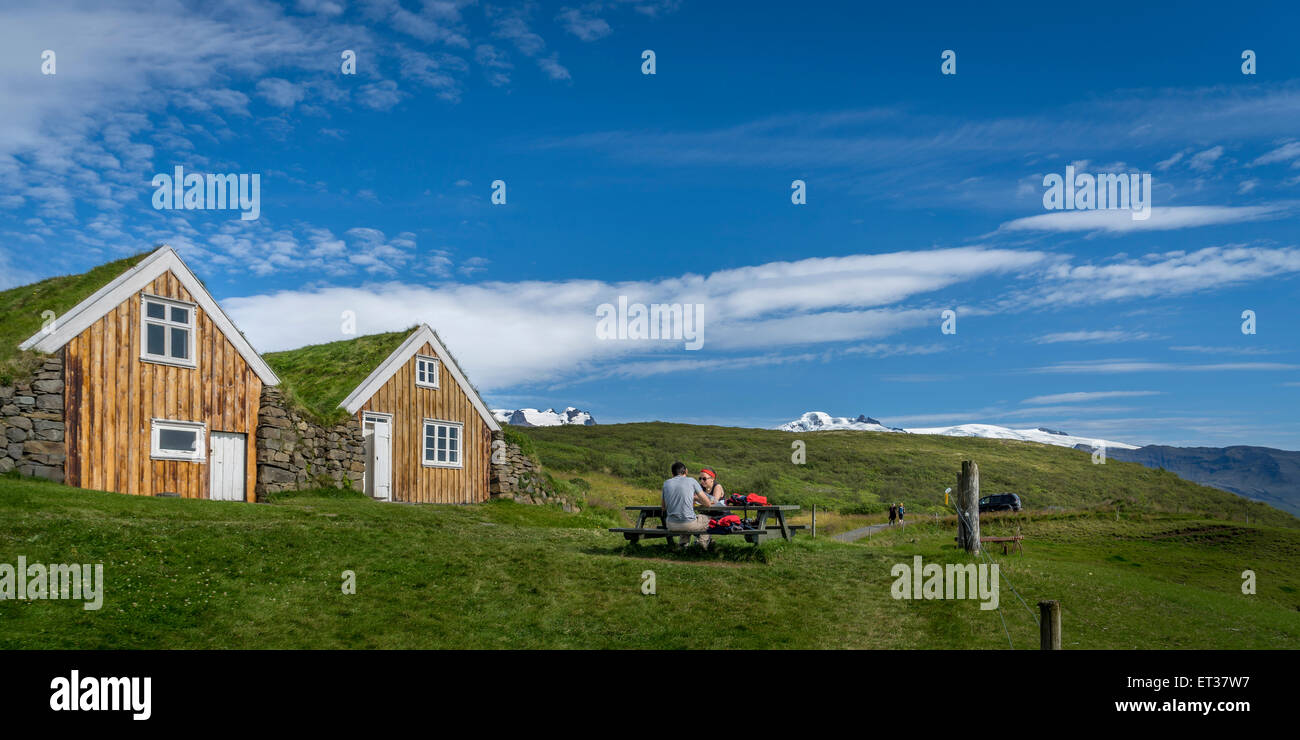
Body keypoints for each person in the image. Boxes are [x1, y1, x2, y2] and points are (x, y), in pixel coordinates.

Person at [662, 461, 712, 549]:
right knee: (708, 519)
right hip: (688, 523)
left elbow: (664, 507)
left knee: (686, 517)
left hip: (670, 524)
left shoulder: (666, 483)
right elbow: (707, 503)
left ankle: (683, 545)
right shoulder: (691, 481)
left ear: (672, 473)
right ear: (686, 471)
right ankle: (702, 543)